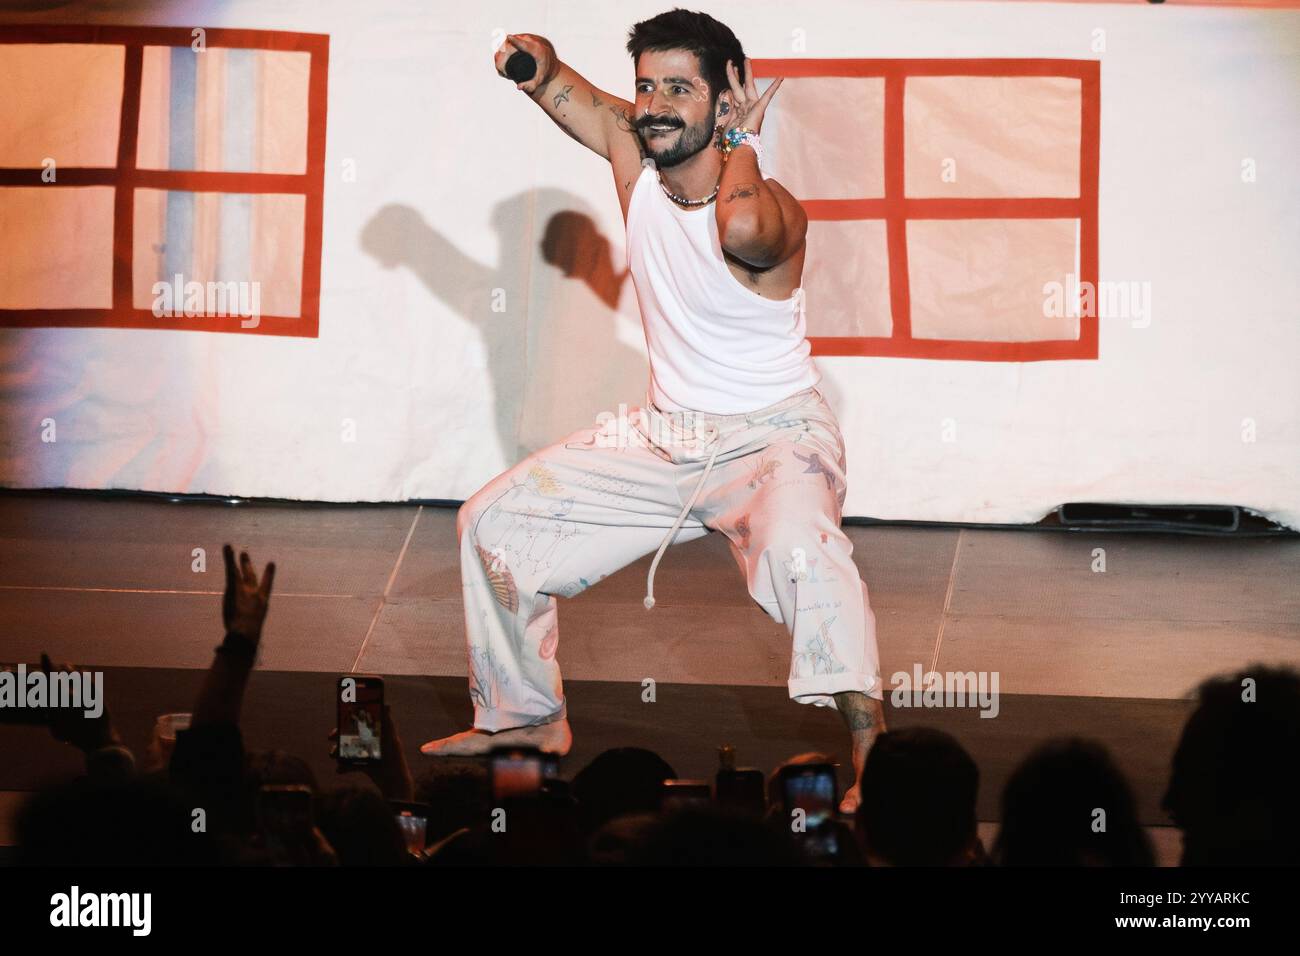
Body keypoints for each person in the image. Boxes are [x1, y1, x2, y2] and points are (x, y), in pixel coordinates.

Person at [422, 9, 886, 812]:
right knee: (494, 523)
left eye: (680, 87)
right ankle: (524, 718)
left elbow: (737, 226)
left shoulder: (772, 207)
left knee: (802, 554)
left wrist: (744, 141)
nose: (656, 104)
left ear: (730, 93)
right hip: (668, 435)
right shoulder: (639, 164)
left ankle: (874, 749)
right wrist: (541, 69)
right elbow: (587, 105)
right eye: (647, 86)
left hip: (776, 438)